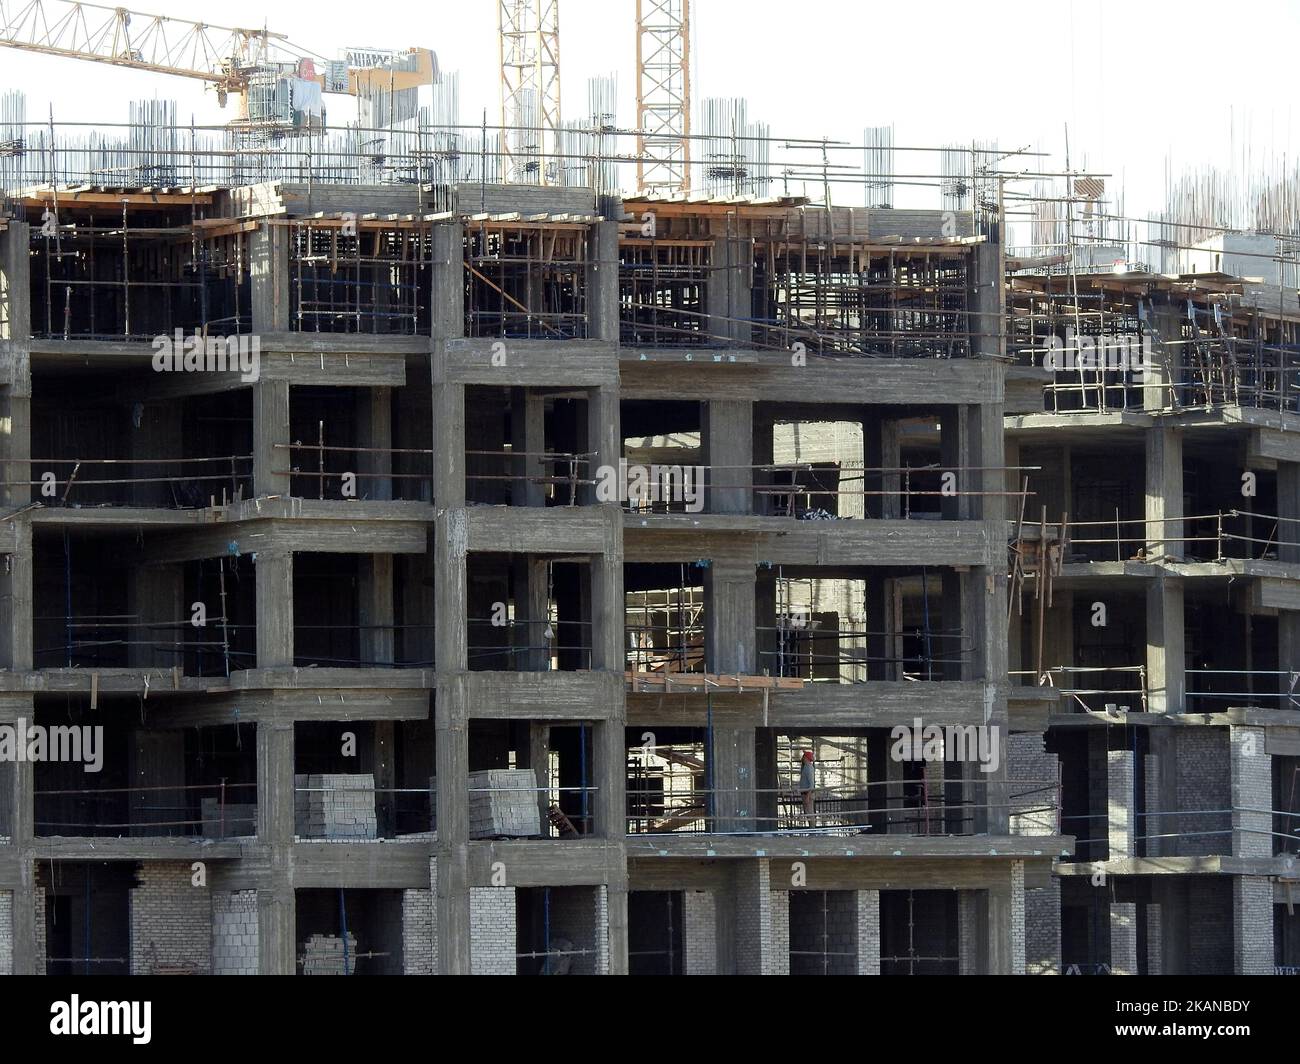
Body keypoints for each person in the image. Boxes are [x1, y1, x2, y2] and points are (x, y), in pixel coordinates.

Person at [798, 749, 815, 828]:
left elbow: (811, 784)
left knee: (809, 813)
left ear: (806, 758)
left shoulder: (809, 768)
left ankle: (813, 830)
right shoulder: (806, 767)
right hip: (805, 793)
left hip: (807, 794)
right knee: (808, 812)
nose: (802, 757)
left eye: (804, 756)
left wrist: (808, 796)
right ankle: (812, 830)